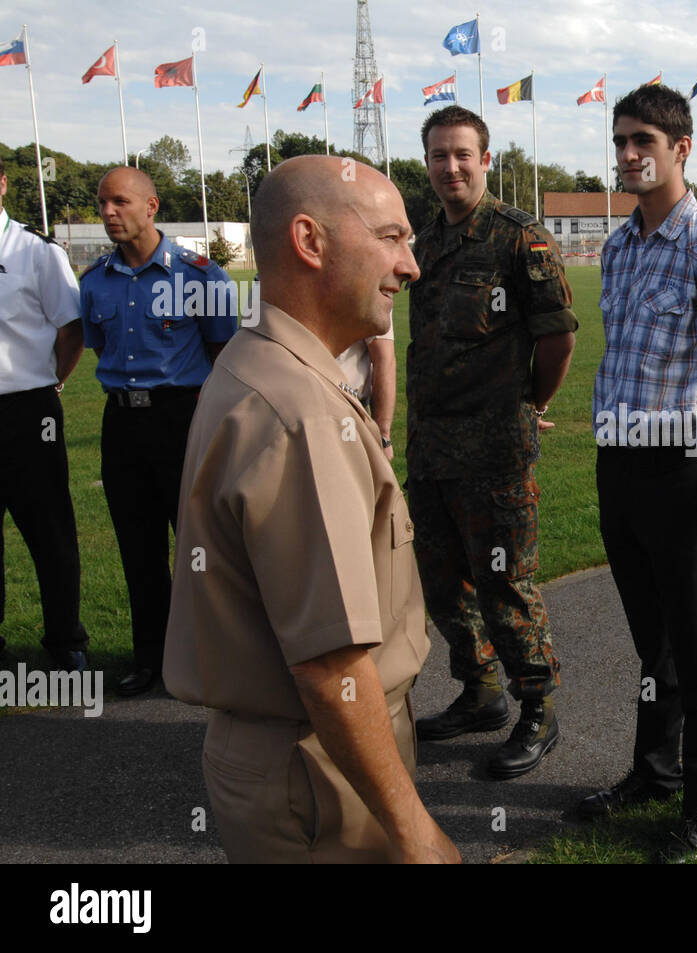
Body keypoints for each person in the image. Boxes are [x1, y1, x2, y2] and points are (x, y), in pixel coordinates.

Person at [163, 155, 460, 863]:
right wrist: (415, 831)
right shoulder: (296, 412)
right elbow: (333, 669)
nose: (410, 265)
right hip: (320, 769)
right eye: (392, 236)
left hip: (296, 757)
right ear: (310, 240)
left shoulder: (260, 366)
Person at [578, 84, 697, 862]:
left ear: (681, 148)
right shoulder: (618, 248)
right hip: (617, 468)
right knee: (650, 641)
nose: (627, 154)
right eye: (619, 140)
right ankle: (651, 773)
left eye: (642, 140)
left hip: (685, 472)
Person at [407, 105, 577, 779]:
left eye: (462, 154)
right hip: (431, 447)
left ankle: (538, 705)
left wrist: (532, 402)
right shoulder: (426, 243)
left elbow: (558, 335)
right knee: (442, 583)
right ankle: (480, 692)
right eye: (438, 156)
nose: (450, 166)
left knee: (506, 583)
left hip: (495, 452)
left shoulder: (520, 239)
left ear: (485, 159)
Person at [81, 167, 238, 696]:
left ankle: (213, 656)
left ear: (151, 207)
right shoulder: (96, 281)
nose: (107, 213)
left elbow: (223, 356)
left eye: (119, 202)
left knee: (199, 546)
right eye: (102, 203)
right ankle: (149, 657)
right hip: (121, 420)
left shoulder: (198, 276)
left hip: (182, 419)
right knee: (136, 544)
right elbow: (100, 350)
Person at [0, 157, 91, 671]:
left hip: (27, 408)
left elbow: (70, 327)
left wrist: (52, 381)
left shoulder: (34, 250)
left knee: (49, 528)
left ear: (4, 183)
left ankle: (65, 641)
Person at [336, 325, 396, 459]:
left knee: (348, 473)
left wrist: (383, 436)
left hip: (348, 411)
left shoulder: (363, 303)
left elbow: (384, 359)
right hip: (291, 409)